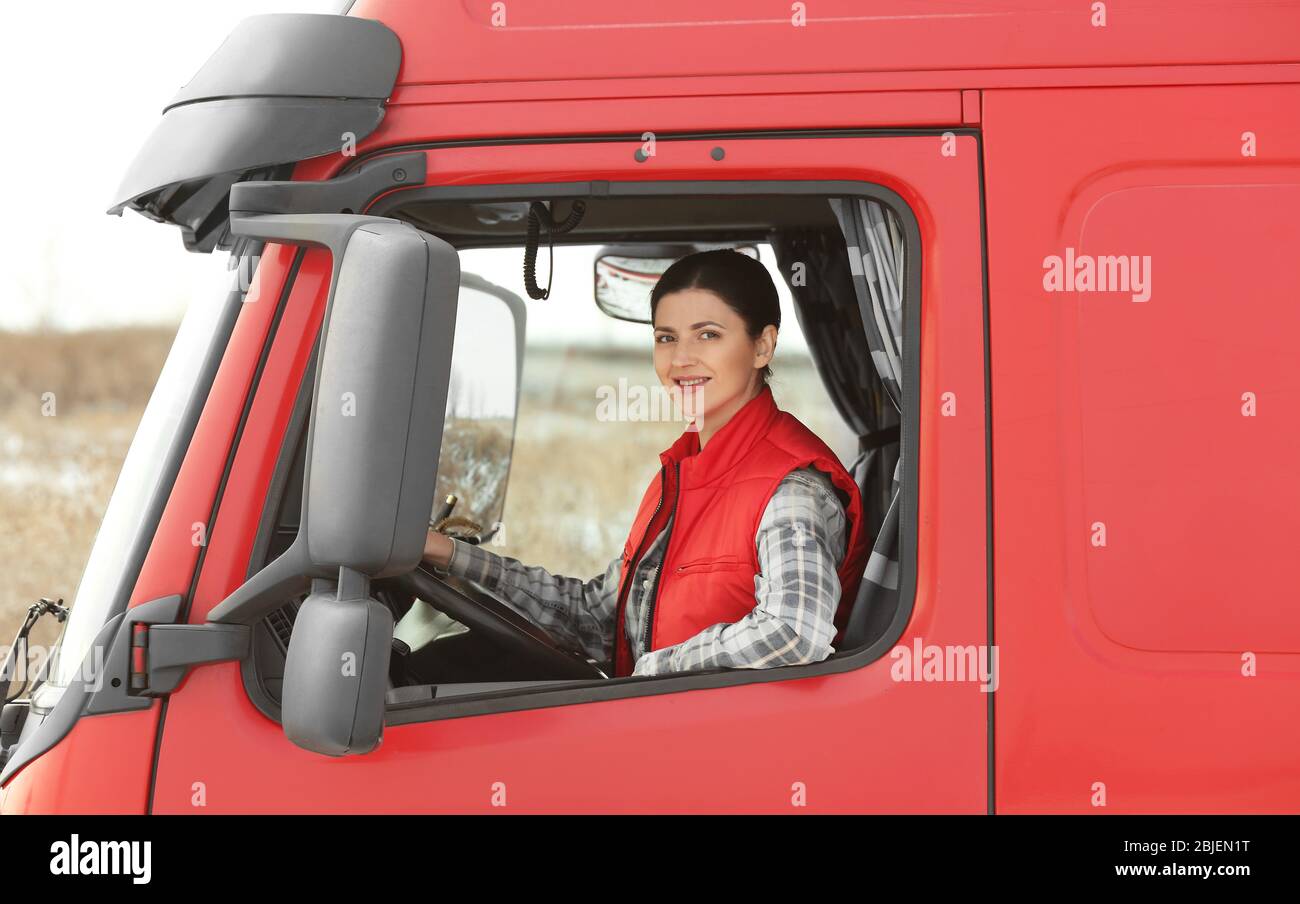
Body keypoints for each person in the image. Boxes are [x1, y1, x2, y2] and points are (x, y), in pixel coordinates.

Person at [422, 249, 871, 677]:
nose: (680, 359)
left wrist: (657, 669)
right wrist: (450, 555)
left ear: (762, 347)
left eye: (708, 335)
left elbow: (794, 631)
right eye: (666, 338)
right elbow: (599, 620)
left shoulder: (792, 489)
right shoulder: (682, 474)